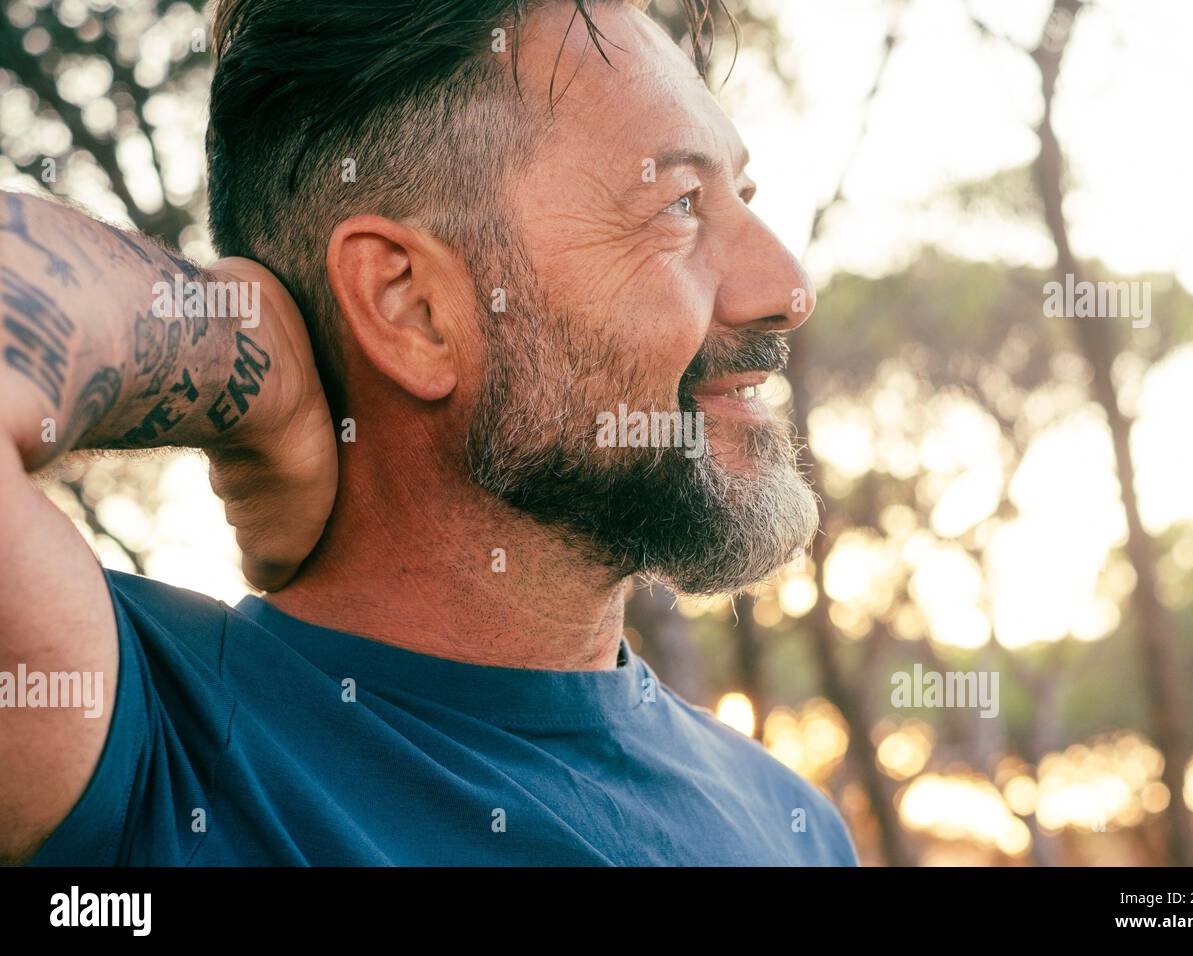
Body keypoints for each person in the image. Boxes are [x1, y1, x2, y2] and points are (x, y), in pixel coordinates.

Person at [0, 0, 857, 865]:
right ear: (411, 308)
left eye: (740, 197)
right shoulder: (150, 747)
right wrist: (247, 358)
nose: (785, 287)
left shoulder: (796, 826)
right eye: (678, 202)